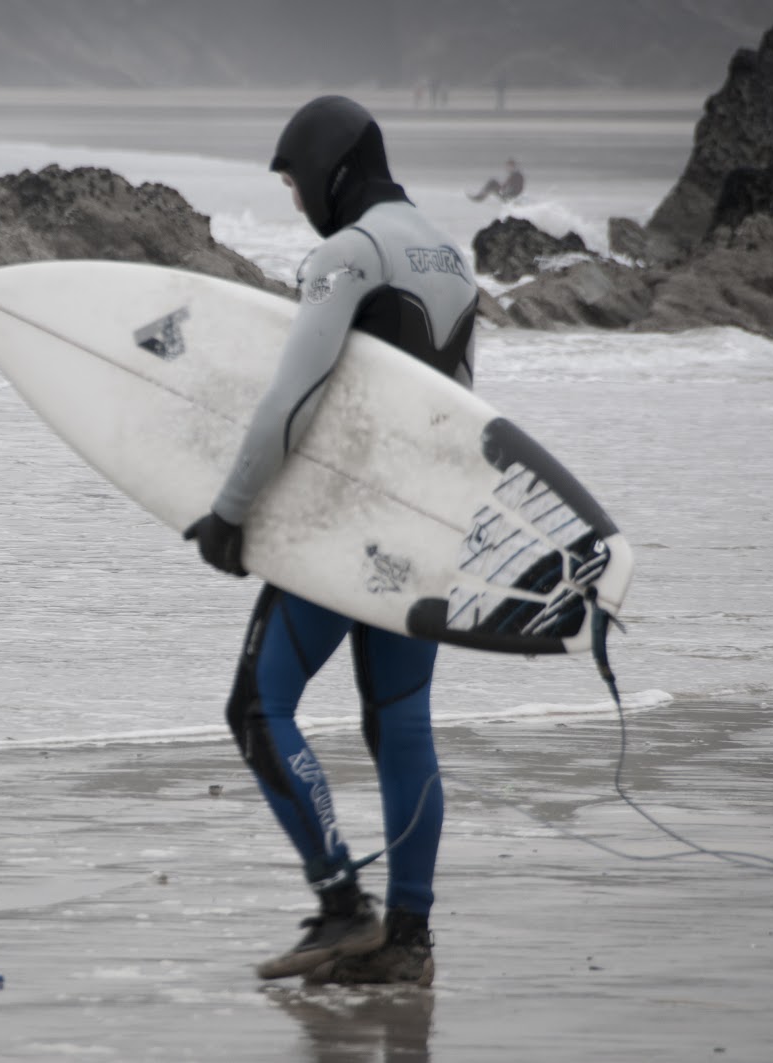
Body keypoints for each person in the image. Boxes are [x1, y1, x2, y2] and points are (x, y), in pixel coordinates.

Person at [182, 95, 477, 987]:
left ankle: (343, 902)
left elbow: (294, 396)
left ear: (329, 172)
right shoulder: (450, 256)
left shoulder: (349, 253)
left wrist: (232, 510)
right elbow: (462, 412)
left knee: (258, 707)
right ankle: (409, 942)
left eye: (294, 183)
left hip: (350, 522)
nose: (296, 200)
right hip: (428, 519)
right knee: (400, 723)